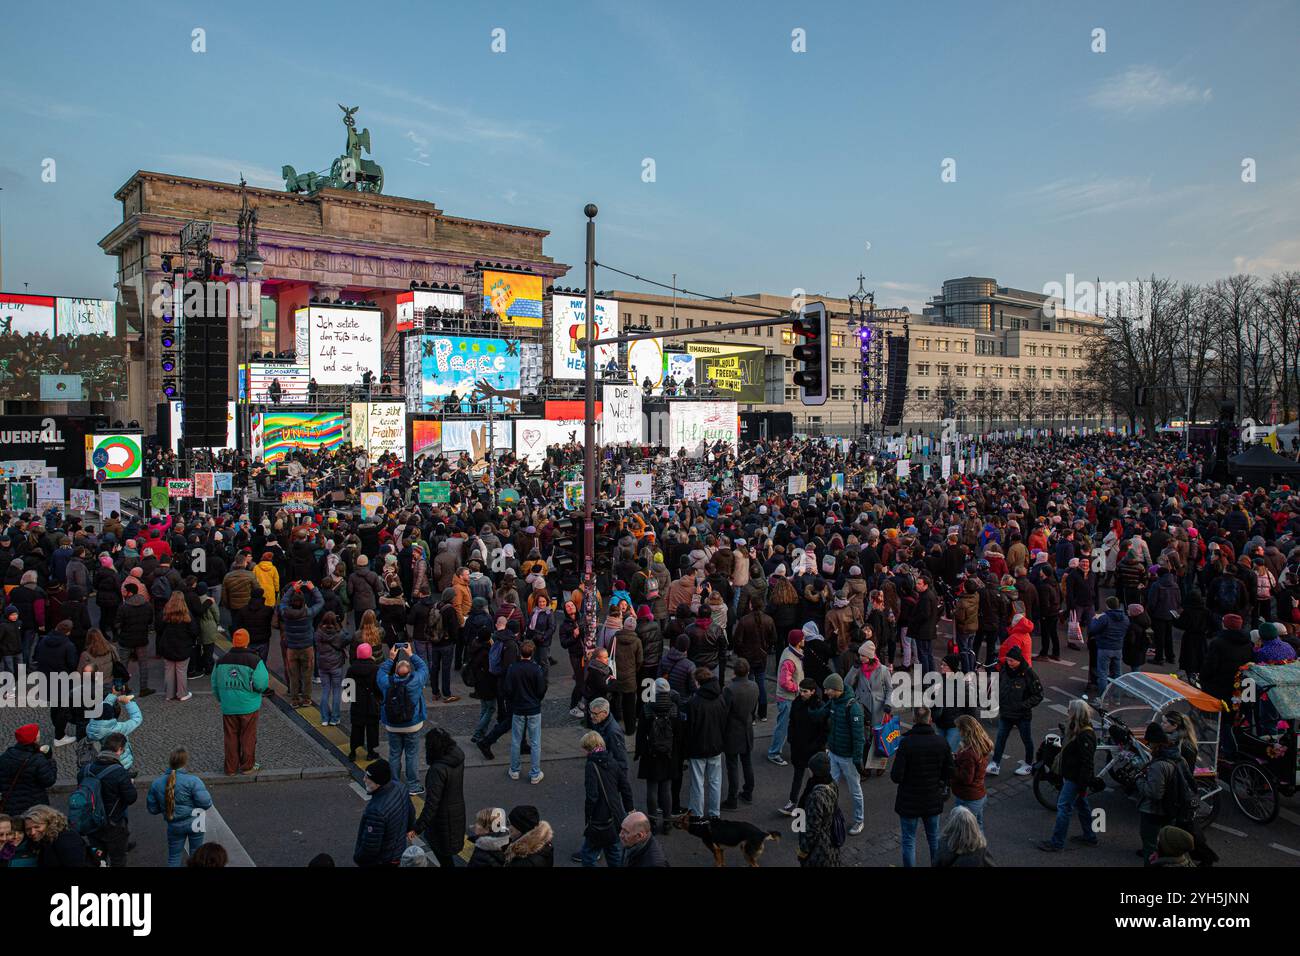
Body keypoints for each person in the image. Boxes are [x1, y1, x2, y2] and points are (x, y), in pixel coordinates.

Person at [891, 706, 954, 867]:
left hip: (909, 800)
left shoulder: (906, 743)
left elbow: (896, 776)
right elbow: (949, 772)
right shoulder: (941, 742)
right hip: (932, 798)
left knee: (909, 841)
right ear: (930, 720)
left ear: (913, 720)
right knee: (934, 839)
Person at [1037, 699, 1099, 852]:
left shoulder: (1085, 736)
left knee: (1063, 808)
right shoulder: (1078, 729)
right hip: (1074, 777)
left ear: (1075, 713)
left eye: (1069, 710)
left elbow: (1087, 764)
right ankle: (1089, 835)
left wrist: (1083, 786)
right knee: (1082, 805)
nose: (1067, 712)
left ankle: (1057, 842)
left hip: (1075, 778)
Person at [482, 639, 547, 783]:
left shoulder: (513, 668)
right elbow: (541, 689)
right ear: (532, 653)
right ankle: (535, 772)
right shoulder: (536, 669)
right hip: (533, 708)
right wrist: (536, 699)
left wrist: (513, 700)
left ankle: (515, 769)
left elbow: (508, 689)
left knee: (516, 740)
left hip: (518, 708)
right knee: (535, 741)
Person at [810, 672, 866, 835]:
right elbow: (820, 714)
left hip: (848, 758)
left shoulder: (853, 707)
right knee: (828, 788)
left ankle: (859, 820)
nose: (825, 692)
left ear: (836, 689)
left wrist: (857, 760)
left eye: (827, 689)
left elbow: (858, 737)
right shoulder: (834, 701)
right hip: (833, 753)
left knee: (855, 790)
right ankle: (829, 817)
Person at [211, 628, 270, 776]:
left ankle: (230, 768)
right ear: (247, 642)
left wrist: (221, 698)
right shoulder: (255, 660)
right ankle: (247, 766)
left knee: (230, 737)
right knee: (248, 736)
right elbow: (262, 684)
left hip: (229, 706)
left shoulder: (221, 661)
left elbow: (215, 683)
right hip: (249, 706)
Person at [1135, 721, 1195, 863]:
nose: (1148, 747)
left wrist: (1139, 780)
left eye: (1149, 743)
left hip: (1153, 811)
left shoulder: (1158, 765)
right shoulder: (1178, 758)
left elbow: (1154, 793)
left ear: (1155, 744)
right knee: (1165, 846)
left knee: (1150, 847)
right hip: (1172, 809)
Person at [77, 732, 137, 866]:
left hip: (91, 822)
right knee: (118, 859)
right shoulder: (119, 772)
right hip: (113, 823)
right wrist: (130, 784)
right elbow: (131, 798)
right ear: (120, 750)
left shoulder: (86, 770)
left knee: (98, 858)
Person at [376, 646, 429, 794]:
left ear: (396, 672)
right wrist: (411, 654)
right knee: (411, 754)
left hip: (392, 724)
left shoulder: (387, 682)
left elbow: (380, 674)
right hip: (413, 723)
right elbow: (423, 667)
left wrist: (391, 658)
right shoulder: (416, 680)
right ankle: (413, 785)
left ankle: (394, 782)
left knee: (394, 753)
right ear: (409, 671)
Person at [146, 748, 213, 866]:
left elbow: (152, 809)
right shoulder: (193, 781)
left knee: (174, 856)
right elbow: (206, 803)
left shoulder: (157, 783)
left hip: (174, 825)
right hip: (196, 822)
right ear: (185, 762)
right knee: (196, 855)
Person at [580, 730, 634, 867]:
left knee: (588, 855)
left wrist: (588, 816)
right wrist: (630, 809)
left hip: (599, 817)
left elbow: (592, 796)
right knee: (614, 852)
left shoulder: (591, 766)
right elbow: (625, 787)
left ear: (589, 748)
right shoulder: (613, 761)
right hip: (616, 815)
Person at [415, 726, 467, 868]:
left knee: (444, 857)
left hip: (442, 821)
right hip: (456, 813)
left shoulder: (437, 770)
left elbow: (432, 803)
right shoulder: (457, 757)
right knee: (447, 854)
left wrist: (418, 827)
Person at [635, 677, 681, 834]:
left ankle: (653, 822)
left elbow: (640, 733)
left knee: (652, 788)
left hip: (651, 753)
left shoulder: (647, 708)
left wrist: (639, 752)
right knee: (666, 789)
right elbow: (678, 733)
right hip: (669, 753)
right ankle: (667, 823)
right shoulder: (674, 708)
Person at [987, 646, 1042, 776]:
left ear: (1018, 660)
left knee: (1026, 740)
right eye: (1007, 660)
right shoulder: (1005, 670)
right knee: (1000, 739)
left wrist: (1023, 705)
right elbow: (999, 685)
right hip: (1006, 713)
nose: (1009, 663)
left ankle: (1028, 764)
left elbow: (1038, 695)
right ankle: (995, 764)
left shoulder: (1028, 674)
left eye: (1011, 660)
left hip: (1022, 715)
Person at [683, 666, 728, 820]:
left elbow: (689, 729)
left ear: (698, 682)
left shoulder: (694, 703)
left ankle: (697, 813)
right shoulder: (720, 697)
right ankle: (715, 813)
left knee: (697, 783)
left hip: (698, 748)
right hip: (716, 745)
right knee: (716, 781)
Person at [353, 760, 416, 867]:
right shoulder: (401, 787)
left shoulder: (376, 811)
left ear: (378, 783)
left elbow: (371, 847)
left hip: (385, 859)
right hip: (399, 850)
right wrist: (410, 828)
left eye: (368, 778)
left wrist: (359, 858)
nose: (364, 779)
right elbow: (411, 812)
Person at [845, 639, 892, 774]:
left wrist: (888, 704)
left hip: (879, 708)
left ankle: (879, 765)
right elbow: (846, 684)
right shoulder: (858, 669)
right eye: (859, 655)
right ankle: (865, 768)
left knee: (879, 738)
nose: (860, 658)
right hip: (862, 707)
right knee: (865, 739)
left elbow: (889, 689)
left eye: (863, 655)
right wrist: (854, 669)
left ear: (870, 656)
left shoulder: (883, 670)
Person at [780, 678, 826, 815]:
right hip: (799, 746)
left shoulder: (819, 706)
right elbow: (792, 722)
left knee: (816, 779)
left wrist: (817, 745)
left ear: (812, 691)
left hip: (813, 749)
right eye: (800, 691)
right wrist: (791, 738)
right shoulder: (797, 703)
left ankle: (817, 804)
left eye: (805, 691)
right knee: (798, 776)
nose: (801, 694)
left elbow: (824, 730)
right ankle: (792, 802)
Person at [722, 657, 759, 809]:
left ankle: (732, 799)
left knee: (732, 766)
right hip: (747, 728)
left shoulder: (729, 689)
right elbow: (753, 708)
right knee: (747, 762)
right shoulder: (754, 686)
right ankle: (748, 791)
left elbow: (725, 712)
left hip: (732, 731)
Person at [280, 581, 324, 709]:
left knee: (294, 675)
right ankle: (306, 699)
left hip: (292, 648)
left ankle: (294, 699)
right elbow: (320, 602)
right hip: (307, 647)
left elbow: (282, 602)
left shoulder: (286, 613)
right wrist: (313, 588)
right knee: (307, 674)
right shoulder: (308, 613)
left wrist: (292, 589)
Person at [0, 724, 57, 817]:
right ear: (35, 738)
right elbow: (49, 780)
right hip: (34, 807)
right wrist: (50, 761)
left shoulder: (6, 756)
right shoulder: (37, 759)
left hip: (11, 805)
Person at [795, 752, 840, 867]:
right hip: (831, 842)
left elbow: (813, 829)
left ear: (815, 772)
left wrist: (803, 851)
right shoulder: (832, 783)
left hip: (820, 850)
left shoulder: (816, 796)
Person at [767, 629, 804, 767]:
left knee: (789, 725)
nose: (804, 640)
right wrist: (798, 688)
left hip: (791, 698)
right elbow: (784, 682)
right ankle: (774, 753)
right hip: (787, 698)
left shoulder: (790, 652)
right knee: (782, 726)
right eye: (802, 638)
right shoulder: (790, 659)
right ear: (798, 642)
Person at [951, 715, 991, 831]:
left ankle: (973, 849)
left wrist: (952, 767)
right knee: (978, 827)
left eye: (959, 729)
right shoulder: (979, 746)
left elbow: (966, 778)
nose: (958, 732)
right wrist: (957, 758)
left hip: (968, 797)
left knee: (965, 832)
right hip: (978, 794)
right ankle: (981, 848)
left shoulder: (969, 753)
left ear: (965, 730)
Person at [158, 592, 198, 702]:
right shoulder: (187, 614)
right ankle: (182, 694)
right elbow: (194, 631)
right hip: (183, 647)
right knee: (181, 671)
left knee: (169, 671)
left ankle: (169, 694)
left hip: (167, 646)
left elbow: (159, 628)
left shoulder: (165, 613)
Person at [345, 642, 381, 761]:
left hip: (357, 704)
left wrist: (351, 698)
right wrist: (379, 699)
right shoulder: (375, 669)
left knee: (356, 728)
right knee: (372, 728)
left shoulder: (351, 669)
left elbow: (347, 689)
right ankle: (371, 752)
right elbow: (379, 686)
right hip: (372, 704)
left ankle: (353, 752)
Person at [20, 805, 88, 867]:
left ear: (49, 823)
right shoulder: (43, 840)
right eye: (28, 829)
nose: (32, 832)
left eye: (37, 827)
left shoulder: (66, 838)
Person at [315, 611, 349, 727]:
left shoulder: (318, 633)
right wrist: (340, 625)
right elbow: (348, 637)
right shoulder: (339, 634)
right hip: (336, 665)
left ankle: (324, 718)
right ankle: (335, 718)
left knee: (325, 690)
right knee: (336, 691)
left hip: (323, 665)